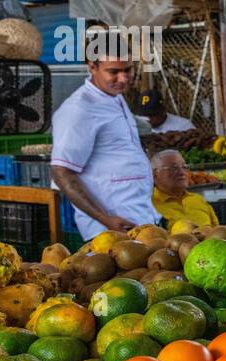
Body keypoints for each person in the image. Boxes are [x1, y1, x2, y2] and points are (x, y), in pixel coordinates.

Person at [50, 31, 159, 240]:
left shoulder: (114, 97)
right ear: (92, 66)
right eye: (114, 72)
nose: (124, 78)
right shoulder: (79, 110)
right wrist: (105, 218)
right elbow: (61, 172)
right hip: (109, 229)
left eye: (128, 70)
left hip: (138, 220)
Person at [150, 150, 219, 227]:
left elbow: (217, 231)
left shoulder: (198, 199)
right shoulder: (149, 205)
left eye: (184, 167)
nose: (181, 172)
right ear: (155, 175)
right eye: (173, 168)